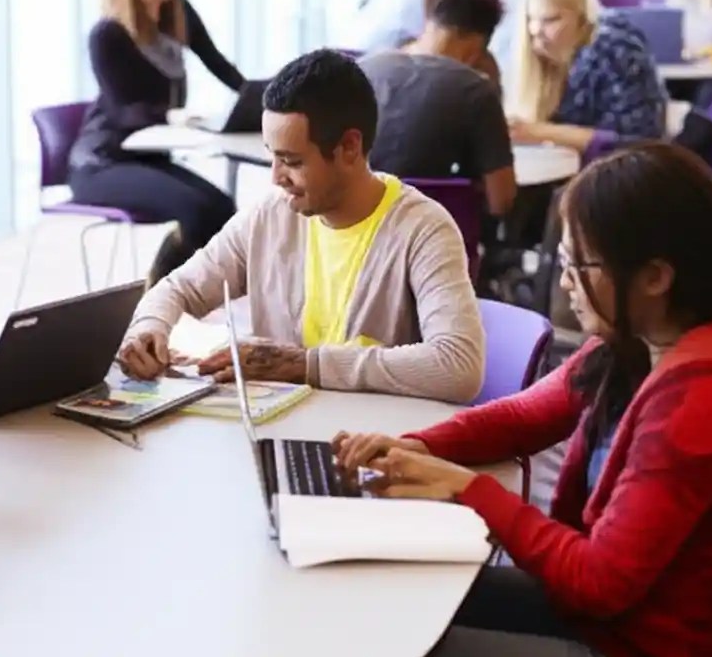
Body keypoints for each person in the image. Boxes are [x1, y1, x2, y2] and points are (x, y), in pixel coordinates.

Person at [333, 141, 712, 657]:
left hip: (639, 644)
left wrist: (468, 488)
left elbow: (599, 582)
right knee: (397, 597)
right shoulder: (639, 341)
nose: (566, 282)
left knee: (399, 639)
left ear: (656, 277)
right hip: (607, 618)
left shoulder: (705, 394)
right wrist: (415, 447)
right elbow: (527, 415)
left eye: (579, 264)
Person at [118, 49, 485, 404]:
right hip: (280, 428)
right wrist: (149, 329)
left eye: (291, 161)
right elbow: (178, 289)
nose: (276, 177)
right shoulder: (268, 217)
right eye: (272, 157)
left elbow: (459, 368)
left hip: (370, 445)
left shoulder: (424, 229)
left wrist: (301, 364)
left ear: (349, 148)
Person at [68, 0, 243, 283]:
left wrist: (268, 98)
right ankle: (162, 298)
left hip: (150, 160)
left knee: (224, 209)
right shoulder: (108, 35)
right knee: (196, 211)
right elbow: (122, 113)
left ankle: (168, 291)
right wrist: (173, 117)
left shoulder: (178, 15)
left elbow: (223, 68)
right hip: (102, 163)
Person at [359, 0, 516, 218]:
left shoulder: (362, 70)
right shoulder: (475, 89)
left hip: (353, 239)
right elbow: (500, 201)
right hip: (440, 245)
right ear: (476, 48)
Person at [506, 0, 667, 153]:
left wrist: (541, 132)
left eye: (550, 20)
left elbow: (639, 143)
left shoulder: (615, 50)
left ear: (582, 17)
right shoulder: (544, 61)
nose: (535, 30)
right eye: (530, 20)